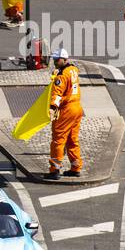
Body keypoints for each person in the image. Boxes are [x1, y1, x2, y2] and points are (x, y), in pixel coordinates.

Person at [45, 48, 83, 179]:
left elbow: (57, 94)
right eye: (54, 60)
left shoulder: (61, 76)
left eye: (57, 60)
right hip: (77, 108)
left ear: (65, 59)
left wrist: (52, 108)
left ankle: (54, 170)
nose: (55, 62)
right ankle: (76, 167)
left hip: (66, 110)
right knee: (72, 140)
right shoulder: (73, 70)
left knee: (58, 140)